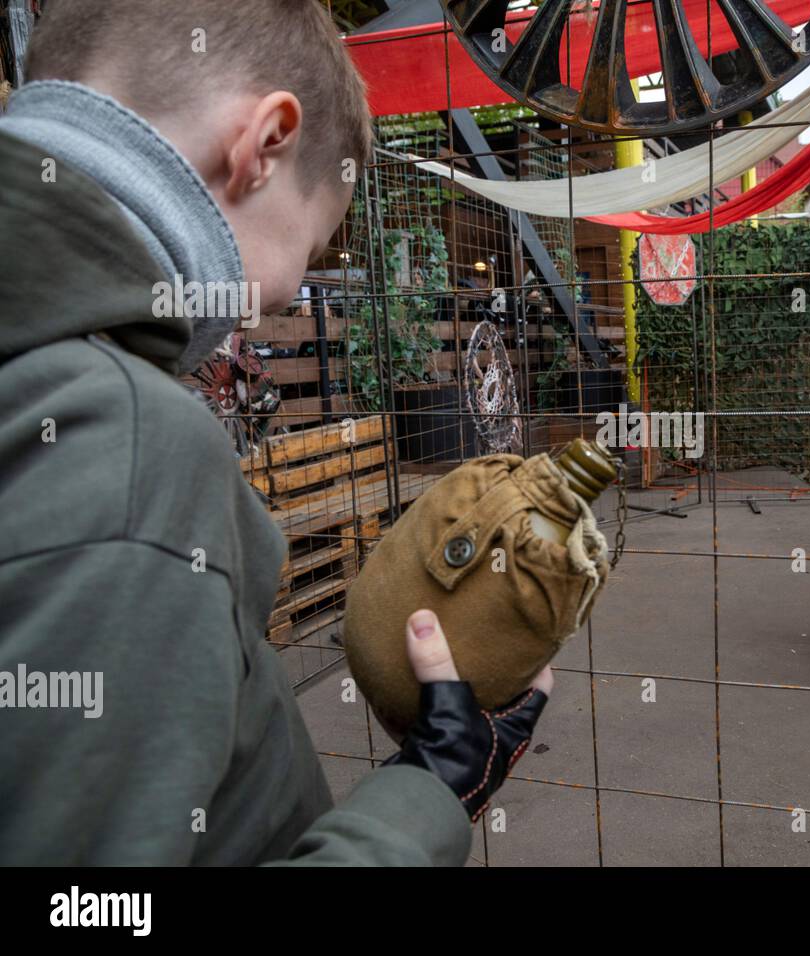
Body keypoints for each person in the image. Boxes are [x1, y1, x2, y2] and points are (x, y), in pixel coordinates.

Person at [0, 0, 547, 866]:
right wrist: (433, 788)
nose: (284, 299)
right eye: (314, 243)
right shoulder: (131, 445)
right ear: (263, 146)